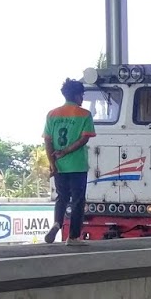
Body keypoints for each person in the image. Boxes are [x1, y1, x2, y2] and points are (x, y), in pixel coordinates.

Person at [43, 78, 96, 246]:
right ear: (77, 95)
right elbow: (84, 139)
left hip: (60, 166)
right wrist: (66, 151)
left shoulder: (52, 114)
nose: (82, 98)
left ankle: (57, 223)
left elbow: (48, 141)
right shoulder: (84, 114)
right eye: (82, 95)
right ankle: (73, 237)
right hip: (77, 165)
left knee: (62, 196)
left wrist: (52, 162)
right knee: (78, 200)